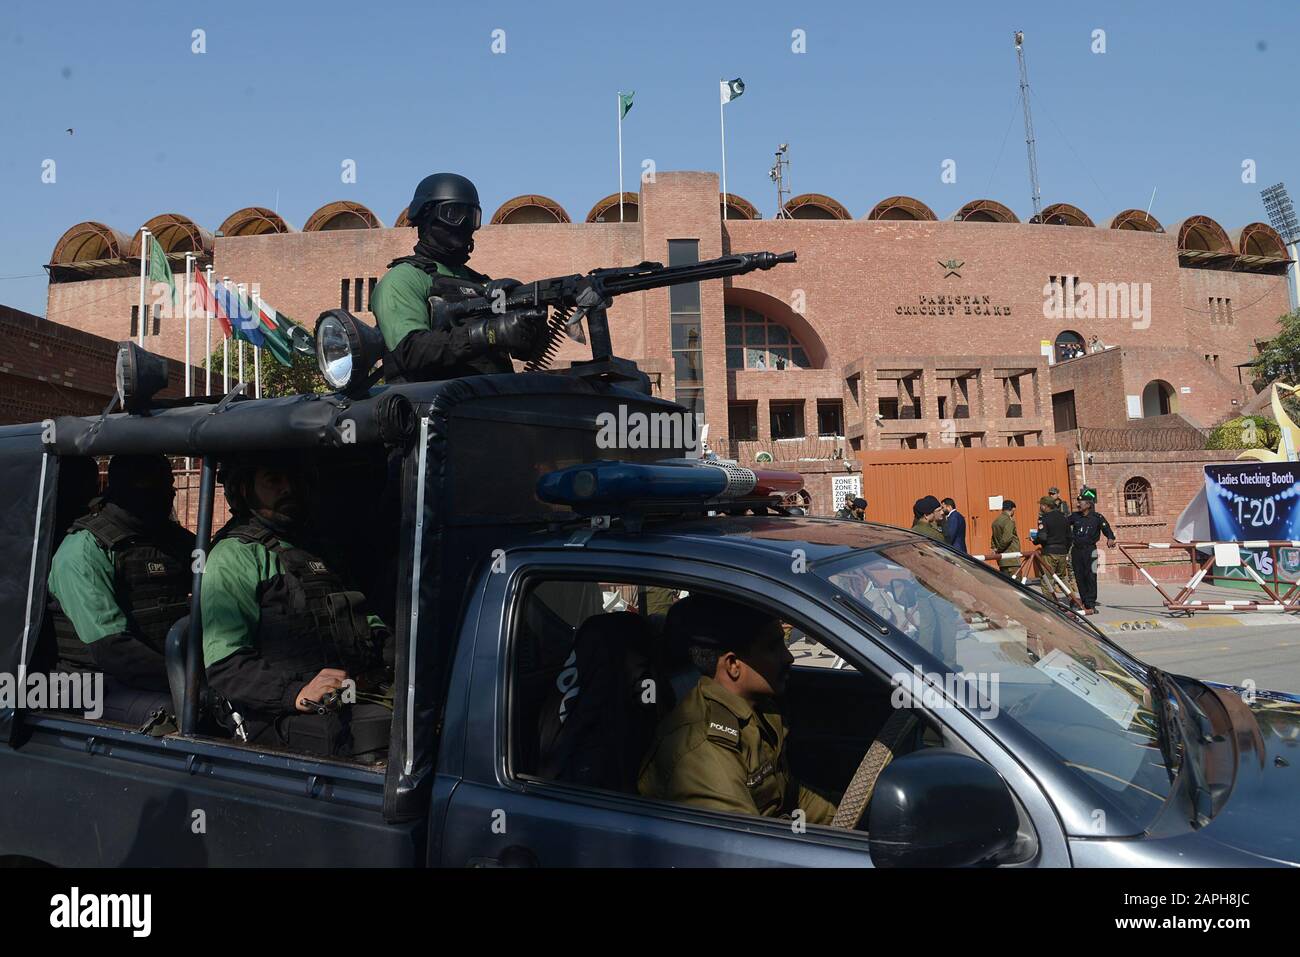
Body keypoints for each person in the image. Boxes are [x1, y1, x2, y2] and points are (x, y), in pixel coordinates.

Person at [201, 455, 393, 761]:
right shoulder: (234, 556)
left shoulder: (318, 549)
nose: (287, 488)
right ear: (244, 489)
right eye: (273, 480)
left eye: (293, 479)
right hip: (278, 714)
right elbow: (226, 667)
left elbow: (363, 619)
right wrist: (295, 694)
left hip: (350, 692)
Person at [638, 595, 837, 824]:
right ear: (733, 665)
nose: (789, 656)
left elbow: (791, 799)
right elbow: (743, 846)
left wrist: (858, 816)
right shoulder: (702, 750)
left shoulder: (759, 711)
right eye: (773, 647)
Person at [371, 172, 546, 384]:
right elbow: (412, 352)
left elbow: (526, 353)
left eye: (471, 216)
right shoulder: (403, 279)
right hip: (431, 408)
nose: (464, 224)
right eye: (453, 213)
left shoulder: (481, 283)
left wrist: (529, 314)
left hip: (493, 403)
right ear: (426, 216)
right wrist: (489, 333)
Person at [47, 454, 194, 698]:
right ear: (123, 487)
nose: (166, 493)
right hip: (94, 685)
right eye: (148, 484)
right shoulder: (85, 549)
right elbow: (112, 650)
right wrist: (191, 685)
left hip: (168, 675)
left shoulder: (177, 542)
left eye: (167, 483)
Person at [1069, 486, 1117, 615]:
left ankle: (1091, 603)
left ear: (1088, 504)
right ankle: (1084, 601)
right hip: (1077, 551)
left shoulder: (1097, 518)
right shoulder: (1074, 517)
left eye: (1081, 502)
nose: (1078, 504)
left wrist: (1110, 538)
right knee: (1079, 577)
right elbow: (1063, 525)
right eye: (1078, 502)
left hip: (1091, 551)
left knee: (1091, 576)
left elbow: (1107, 530)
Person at [1035, 496, 1074, 603]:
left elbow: (1042, 537)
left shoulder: (1044, 518)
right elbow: (1070, 537)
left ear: (1044, 506)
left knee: (1047, 579)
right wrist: (1065, 549)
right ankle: (1073, 600)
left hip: (1049, 552)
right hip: (1062, 552)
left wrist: (1035, 540)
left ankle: (1050, 603)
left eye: (1041, 505)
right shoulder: (1064, 518)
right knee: (1062, 578)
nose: (1040, 507)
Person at [990, 500, 1020, 575]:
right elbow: (1007, 538)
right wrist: (998, 549)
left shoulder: (995, 521)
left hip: (1002, 560)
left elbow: (993, 538)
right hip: (1011, 558)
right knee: (1016, 584)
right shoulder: (1009, 521)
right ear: (1012, 509)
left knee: (1006, 583)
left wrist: (994, 548)